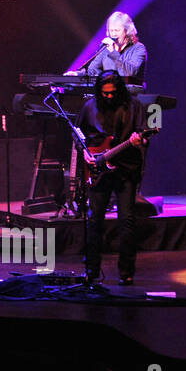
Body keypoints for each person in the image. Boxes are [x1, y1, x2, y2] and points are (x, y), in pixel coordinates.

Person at [75, 71, 148, 286]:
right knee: (94, 220)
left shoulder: (134, 106)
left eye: (112, 93)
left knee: (126, 220)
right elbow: (77, 132)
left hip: (125, 169)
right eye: (104, 94)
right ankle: (91, 270)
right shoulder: (90, 106)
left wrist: (139, 140)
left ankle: (126, 272)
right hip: (97, 170)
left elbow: (143, 132)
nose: (108, 97)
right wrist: (85, 153)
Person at [78, 11, 147, 86]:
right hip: (109, 91)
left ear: (127, 31)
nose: (113, 34)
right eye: (111, 30)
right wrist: (77, 74)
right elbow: (92, 69)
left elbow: (130, 72)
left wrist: (113, 52)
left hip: (130, 93)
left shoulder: (138, 48)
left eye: (117, 30)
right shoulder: (106, 49)